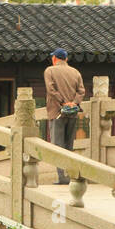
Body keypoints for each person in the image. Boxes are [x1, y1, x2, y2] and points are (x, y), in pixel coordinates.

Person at [43, 47, 85, 185]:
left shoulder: (50, 70)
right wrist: (73, 103)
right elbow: (81, 91)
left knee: (57, 145)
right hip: (72, 113)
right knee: (69, 144)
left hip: (57, 112)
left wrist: (63, 102)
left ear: (54, 58)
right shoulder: (75, 72)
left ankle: (62, 177)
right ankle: (70, 174)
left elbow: (51, 90)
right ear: (66, 59)